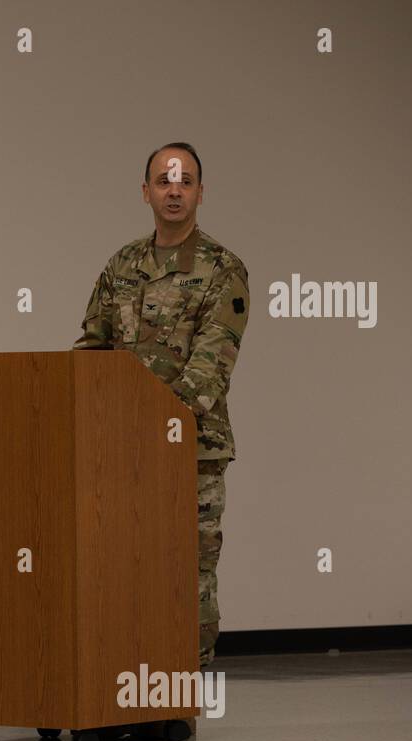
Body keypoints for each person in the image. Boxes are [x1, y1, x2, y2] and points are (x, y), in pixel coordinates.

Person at [74, 142, 250, 689]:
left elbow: (208, 371)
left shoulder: (224, 270)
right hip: (116, 450)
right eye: (163, 180)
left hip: (189, 450)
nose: (174, 190)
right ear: (146, 191)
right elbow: (92, 349)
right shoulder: (122, 264)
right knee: (121, 567)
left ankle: (186, 691)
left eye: (186, 181)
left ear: (201, 191)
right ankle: (126, 687)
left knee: (186, 573)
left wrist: (146, 427)